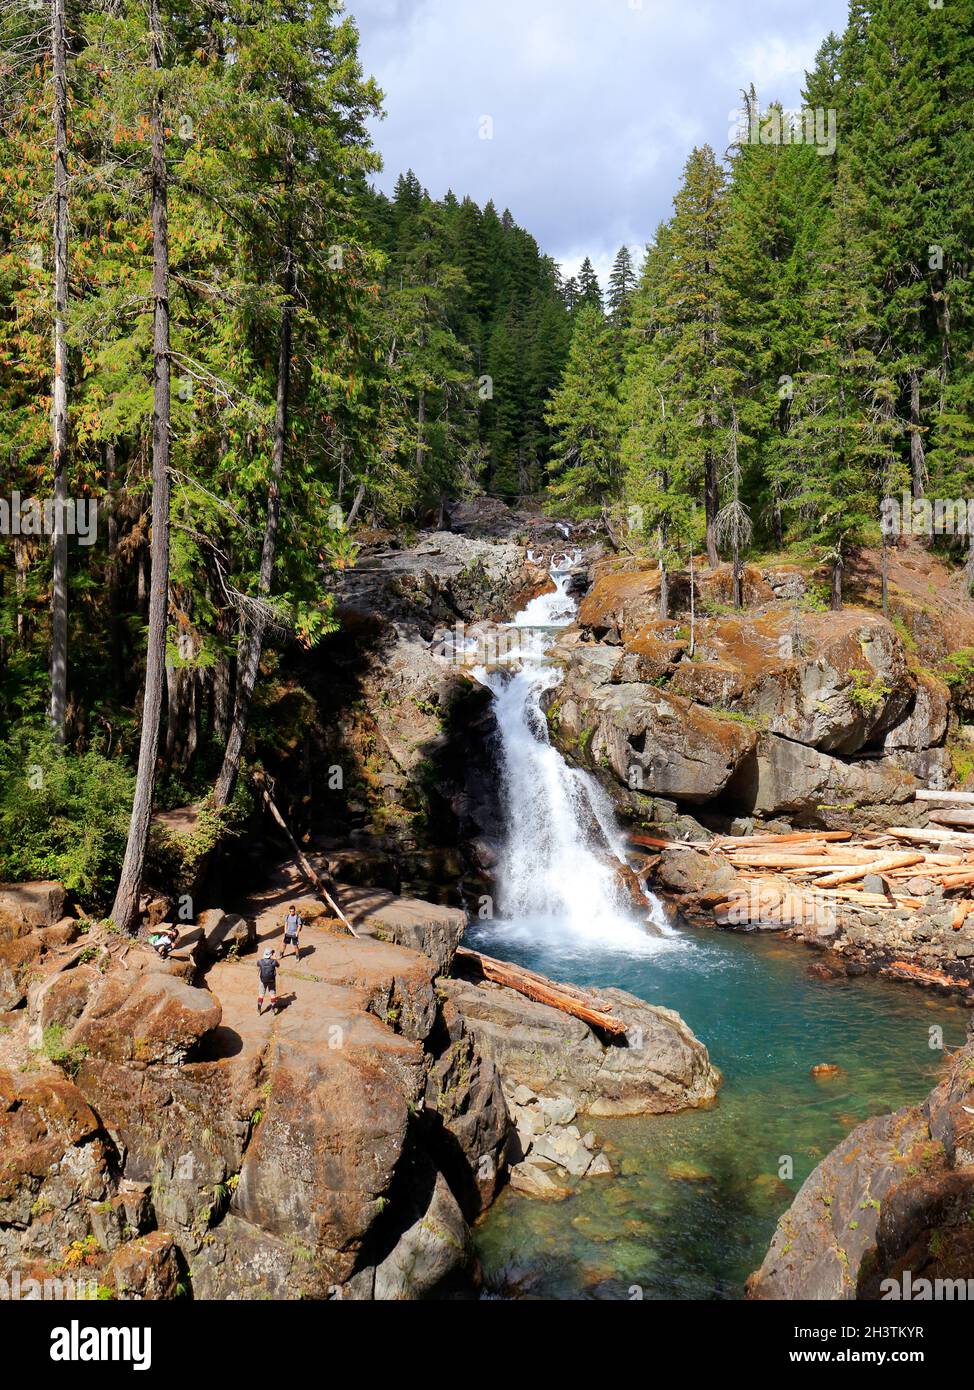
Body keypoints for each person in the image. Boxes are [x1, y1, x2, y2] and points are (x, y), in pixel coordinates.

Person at [257, 948, 279, 1015]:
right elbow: (278, 965)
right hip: (271, 980)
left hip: (263, 980)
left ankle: (259, 1009)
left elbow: (258, 964)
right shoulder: (273, 961)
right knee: (272, 994)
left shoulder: (260, 961)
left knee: (261, 995)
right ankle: (273, 1009)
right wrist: (275, 958)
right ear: (270, 955)